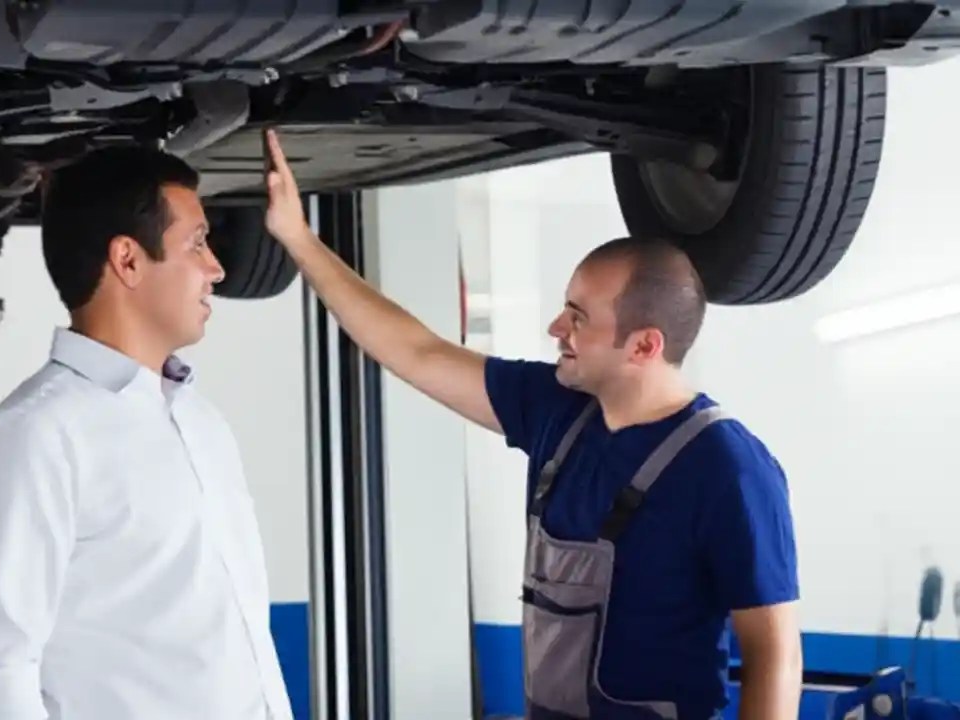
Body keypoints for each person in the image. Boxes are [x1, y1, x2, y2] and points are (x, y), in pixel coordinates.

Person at [259, 129, 803, 719]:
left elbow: (773, 653)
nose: (555, 331)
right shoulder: (556, 409)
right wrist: (298, 239)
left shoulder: (729, 470)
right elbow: (417, 352)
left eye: (577, 318)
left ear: (644, 345)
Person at [0, 145, 294, 720]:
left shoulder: (200, 422)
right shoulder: (35, 439)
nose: (217, 269)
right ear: (127, 260)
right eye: (197, 243)